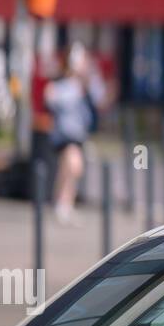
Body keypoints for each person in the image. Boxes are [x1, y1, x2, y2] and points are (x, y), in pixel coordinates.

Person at [45, 44, 103, 223]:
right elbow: (52, 99)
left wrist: (90, 80)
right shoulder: (64, 85)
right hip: (65, 133)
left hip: (79, 133)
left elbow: (100, 98)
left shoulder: (86, 83)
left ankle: (63, 203)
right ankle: (63, 203)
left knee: (67, 169)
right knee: (74, 165)